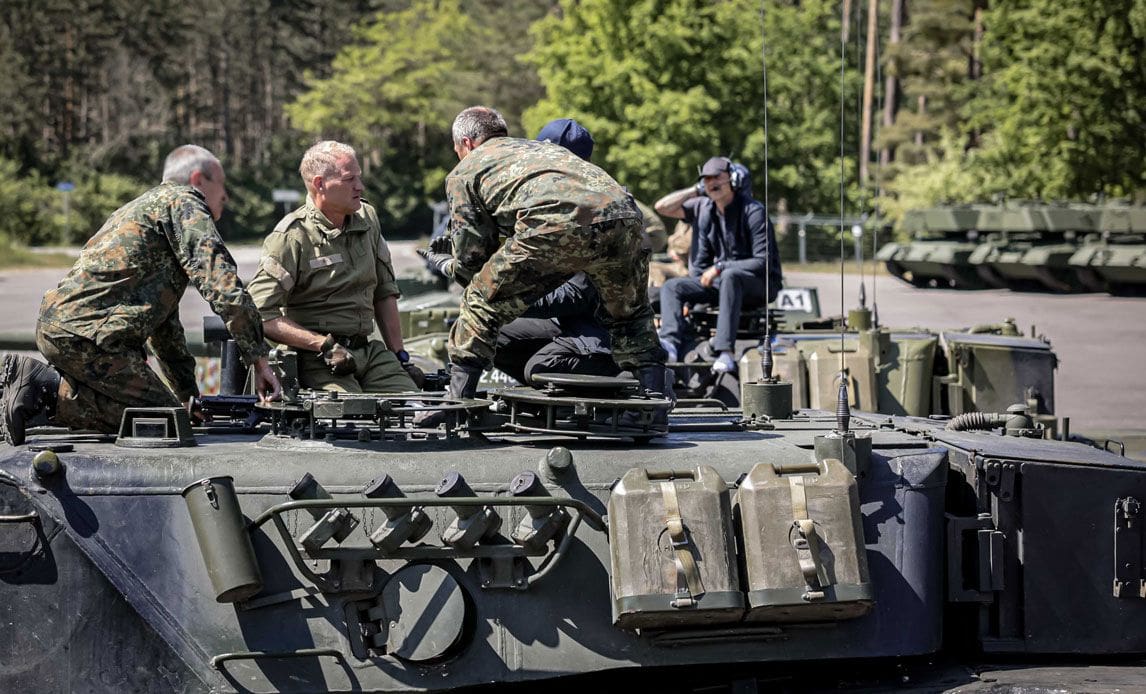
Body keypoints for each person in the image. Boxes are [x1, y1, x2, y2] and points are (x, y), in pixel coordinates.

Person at [0, 145, 282, 445]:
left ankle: (37, 394)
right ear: (198, 179)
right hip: (91, 336)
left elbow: (165, 331)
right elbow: (221, 282)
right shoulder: (184, 201)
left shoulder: (145, 209)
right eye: (221, 184)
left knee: (172, 415)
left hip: (71, 329)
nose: (225, 195)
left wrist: (188, 396)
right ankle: (42, 390)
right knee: (165, 423)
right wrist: (259, 358)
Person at [419, 106, 666, 409]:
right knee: (631, 315)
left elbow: (473, 259)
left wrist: (447, 264)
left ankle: (457, 402)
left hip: (556, 224)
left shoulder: (467, 169)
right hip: (625, 217)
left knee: (479, 301)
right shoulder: (542, 153)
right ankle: (654, 405)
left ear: (467, 143)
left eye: (457, 149)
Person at [247, 141, 422, 394]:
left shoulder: (368, 219)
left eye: (359, 178)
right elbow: (259, 312)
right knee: (350, 419)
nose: (359, 187)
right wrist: (322, 344)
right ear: (320, 184)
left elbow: (384, 290)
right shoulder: (292, 237)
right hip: (316, 358)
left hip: (368, 352)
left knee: (416, 409)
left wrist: (400, 355)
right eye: (349, 179)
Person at [654, 156, 782, 372]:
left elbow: (762, 262)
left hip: (759, 284)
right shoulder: (707, 213)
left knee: (731, 277)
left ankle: (725, 352)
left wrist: (721, 267)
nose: (711, 183)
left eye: (717, 178)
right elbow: (700, 265)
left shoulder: (753, 211)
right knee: (672, 286)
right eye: (706, 179)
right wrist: (694, 295)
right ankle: (670, 343)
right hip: (722, 283)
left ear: (732, 179)